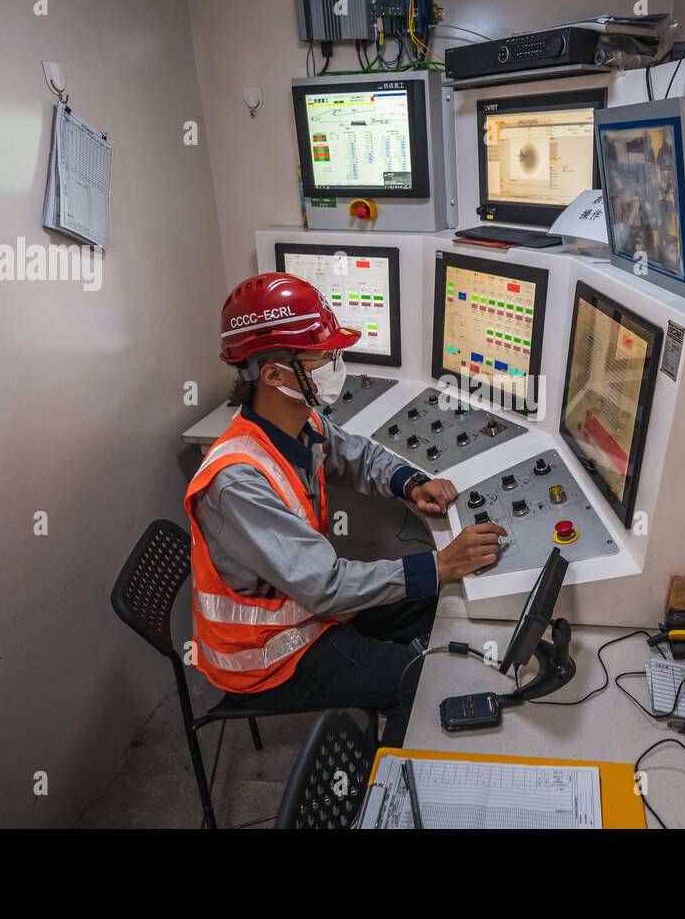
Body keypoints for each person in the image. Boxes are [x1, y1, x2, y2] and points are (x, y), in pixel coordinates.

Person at [184, 273, 505, 747]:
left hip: (311, 610)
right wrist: (440, 563)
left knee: (437, 606)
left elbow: (353, 454)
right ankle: (386, 801)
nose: (336, 364)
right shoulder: (237, 482)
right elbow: (328, 587)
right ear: (274, 375)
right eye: (323, 356)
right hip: (272, 656)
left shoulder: (295, 421)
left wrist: (411, 483)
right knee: (416, 681)